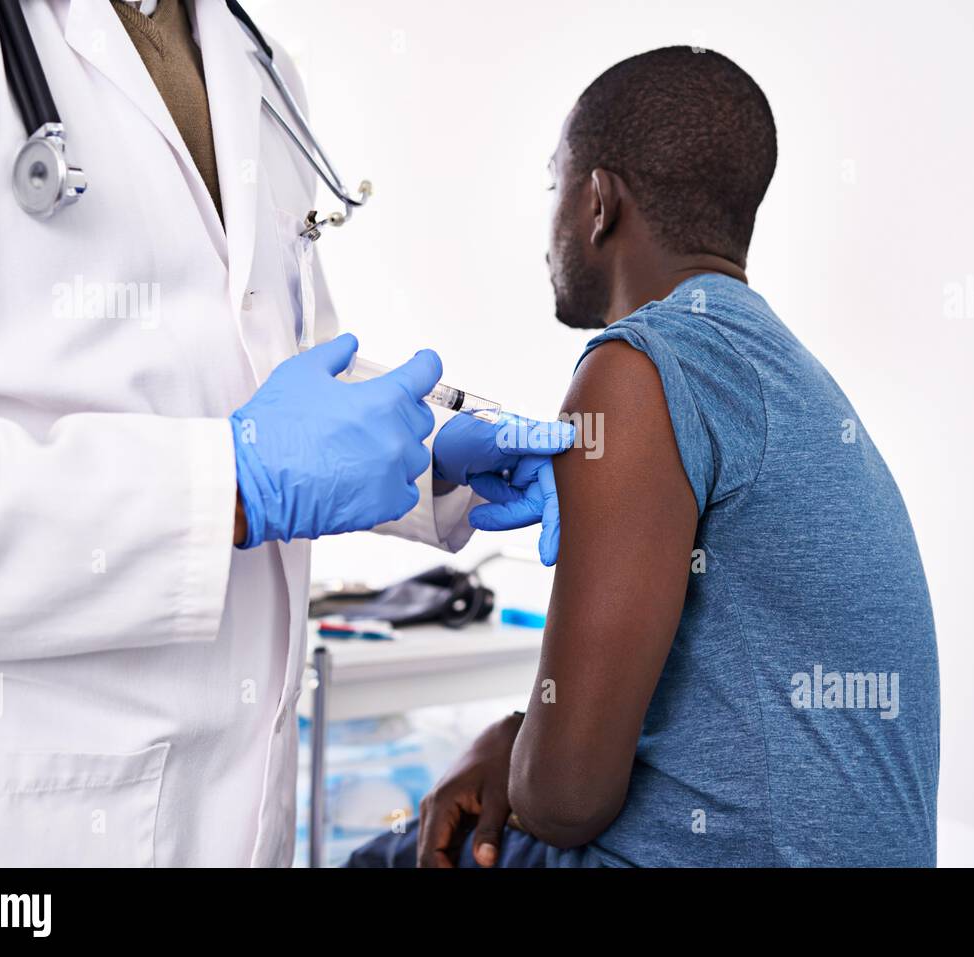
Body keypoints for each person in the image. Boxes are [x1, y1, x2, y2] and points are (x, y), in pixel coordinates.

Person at [0, 0, 568, 866]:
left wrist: (435, 455)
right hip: (3, 826)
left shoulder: (257, 63)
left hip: (240, 811)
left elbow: (274, 374)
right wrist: (227, 484)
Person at [350, 46, 939, 868]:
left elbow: (563, 802)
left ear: (598, 202)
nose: (550, 222)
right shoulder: (783, 372)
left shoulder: (635, 368)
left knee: (384, 854)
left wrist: (511, 748)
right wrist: (515, 734)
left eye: (555, 184)